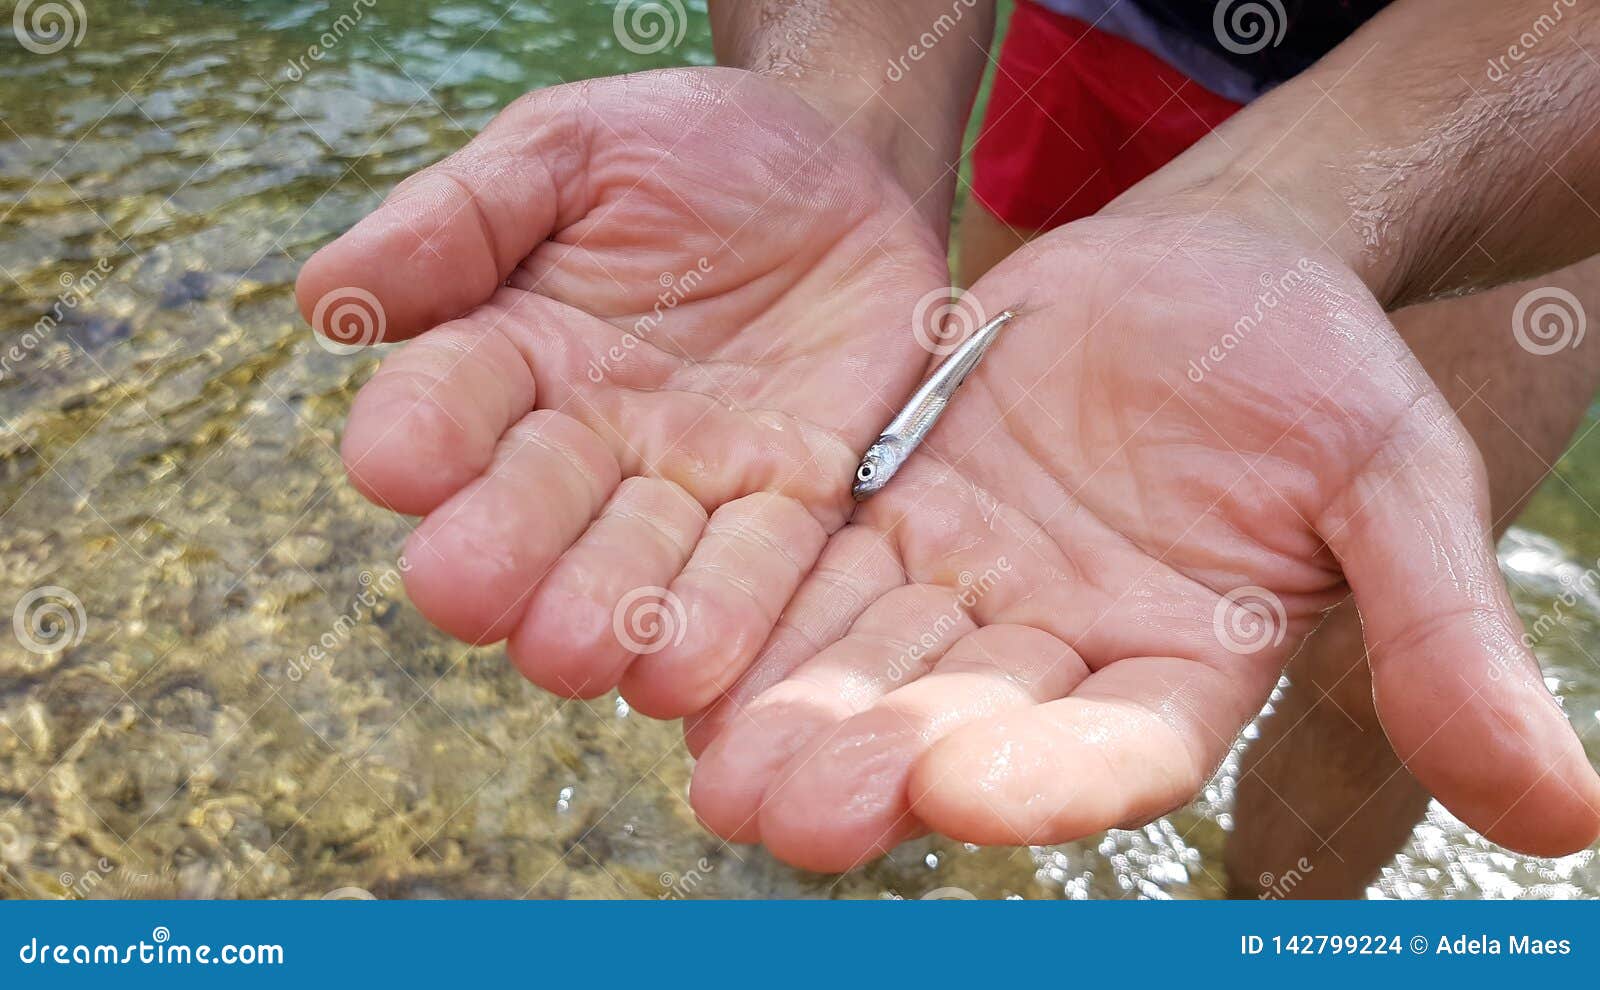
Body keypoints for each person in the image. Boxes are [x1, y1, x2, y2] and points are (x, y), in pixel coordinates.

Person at [296, 0, 1600, 895]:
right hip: (1116, 31)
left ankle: (1272, 922)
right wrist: (834, 101)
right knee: (1005, 435)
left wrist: (1316, 204)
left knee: (1362, 649)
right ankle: (893, 836)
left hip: (1523, 94)